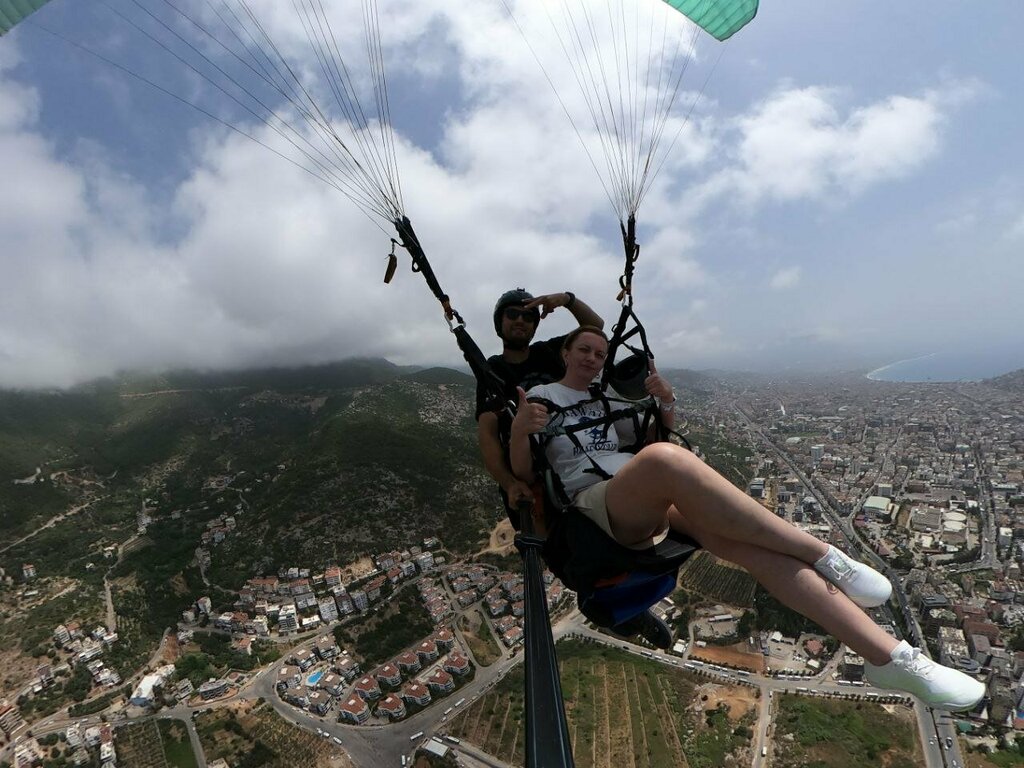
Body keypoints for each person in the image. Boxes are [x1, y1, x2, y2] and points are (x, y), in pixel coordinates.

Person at [509, 326, 985, 711]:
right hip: (592, 507)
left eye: (599, 352)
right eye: (584, 350)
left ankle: (891, 658)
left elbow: (648, 433)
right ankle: (823, 553)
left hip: (639, 496)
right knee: (666, 460)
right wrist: (518, 430)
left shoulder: (605, 400)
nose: (593, 358)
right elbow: (526, 473)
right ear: (566, 353)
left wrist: (666, 400)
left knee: (757, 549)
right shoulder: (543, 398)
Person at [475, 288, 603, 521]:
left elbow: (595, 328)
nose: (521, 320)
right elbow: (488, 435)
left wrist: (566, 300)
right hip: (531, 471)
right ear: (499, 322)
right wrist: (510, 483)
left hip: (576, 454)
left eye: (529, 316)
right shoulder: (492, 371)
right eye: (513, 314)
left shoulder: (549, 351)